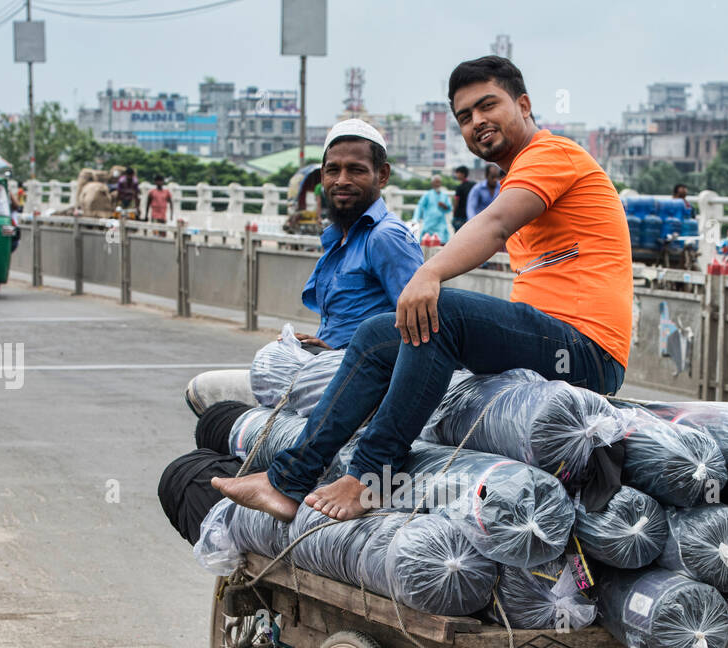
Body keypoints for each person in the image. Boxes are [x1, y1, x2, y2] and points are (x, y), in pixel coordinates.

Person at [212, 54, 633, 524]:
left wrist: (427, 274)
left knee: (438, 314)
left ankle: (370, 478)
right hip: (549, 337)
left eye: (487, 106)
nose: (477, 122)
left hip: (586, 348)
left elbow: (493, 226)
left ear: (525, 104)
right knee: (376, 334)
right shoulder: (517, 173)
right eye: (464, 117)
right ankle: (287, 479)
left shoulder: (552, 154)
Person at [183, 118, 424, 415]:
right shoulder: (341, 238)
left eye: (356, 170)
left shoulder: (385, 237)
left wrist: (342, 356)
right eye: (333, 170)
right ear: (322, 175)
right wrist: (323, 349)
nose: (342, 180)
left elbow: (422, 332)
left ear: (382, 175)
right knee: (209, 393)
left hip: (365, 383)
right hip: (331, 371)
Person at [412, 174, 452, 243]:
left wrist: (444, 206)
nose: (437, 184)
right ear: (432, 183)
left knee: (441, 242)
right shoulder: (427, 195)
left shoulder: (444, 196)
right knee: (426, 242)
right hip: (429, 223)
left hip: (440, 224)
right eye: (436, 182)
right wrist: (415, 219)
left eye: (439, 182)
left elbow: (449, 208)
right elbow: (419, 206)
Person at [450, 164, 472, 231]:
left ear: (462, 174)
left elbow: (456, 202)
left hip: (459, 216)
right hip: (468, 215)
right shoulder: (472, 185)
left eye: (457, 173)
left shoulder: (459, 187)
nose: (456, 175)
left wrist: (453, 214)